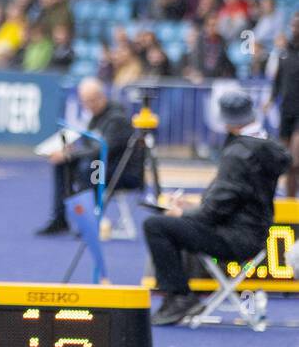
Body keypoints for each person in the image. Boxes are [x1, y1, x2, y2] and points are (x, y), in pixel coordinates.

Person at [143, 92, 291, 326]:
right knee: (170, 224)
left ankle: (180, 297)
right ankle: (179, 296)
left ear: (226, 122)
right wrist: (193, 206)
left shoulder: (238, 154)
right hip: (253, 233)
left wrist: (183, 212)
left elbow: (215, 211)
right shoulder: (267, 147)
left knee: (156, 225)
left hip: (233, 237)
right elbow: (237, 200)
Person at [37, 77, 144, 236]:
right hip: (100, 167)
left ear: (102, 97)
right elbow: (90, 146)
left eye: (91, 101)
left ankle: (88, 221)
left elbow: (102, 148)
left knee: (87, 168)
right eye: (85, 102)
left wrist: (70, 155)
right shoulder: (96, 116)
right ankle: (60, 218)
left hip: (122, 173)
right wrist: (70, 153)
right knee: (62, 165)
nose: (88, 106)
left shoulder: (117, 119)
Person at [266, 14, 299, 197]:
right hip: (286, 110)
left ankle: (293, 203)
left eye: (298, 26)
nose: (295, 29)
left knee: (295, 161)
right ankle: (289, 199)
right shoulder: (284, 53)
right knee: (283, 160)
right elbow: (278, 81)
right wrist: (271, 99)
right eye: (293, 25)